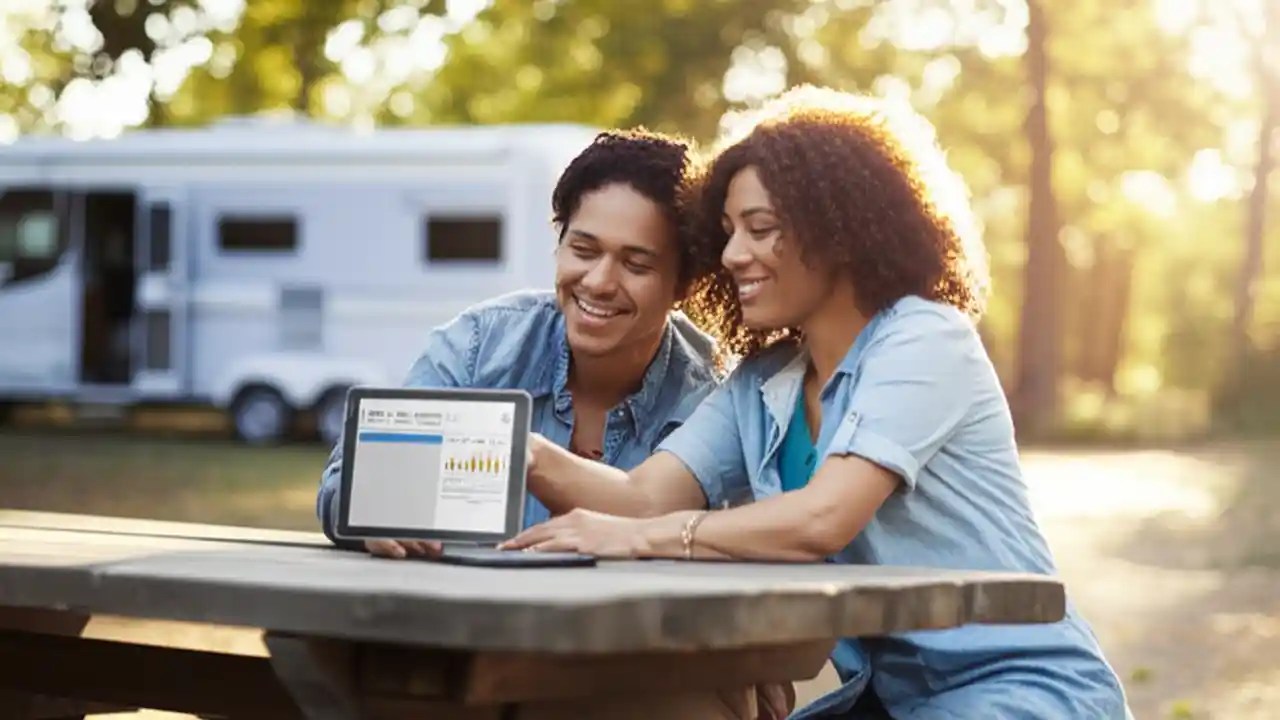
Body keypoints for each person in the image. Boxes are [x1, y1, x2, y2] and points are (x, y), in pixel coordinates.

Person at [501, 87, 1131, 719]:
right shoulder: (764, 381)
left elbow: (821, 518)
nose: (731, 255)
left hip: (1021, 688)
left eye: (760, 229)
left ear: (840, 231)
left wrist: (642, 539)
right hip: (891, 701)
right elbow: (641, 497)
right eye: (727, 233)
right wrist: (519, 451)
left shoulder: (924, 338)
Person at [315, 128, 724, 559]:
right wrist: (369, 522)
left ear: (685, 285)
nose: (600, 282)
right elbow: (344, 483)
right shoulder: (480, 345)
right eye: (583, 251)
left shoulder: (709, 397)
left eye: (636, 264)